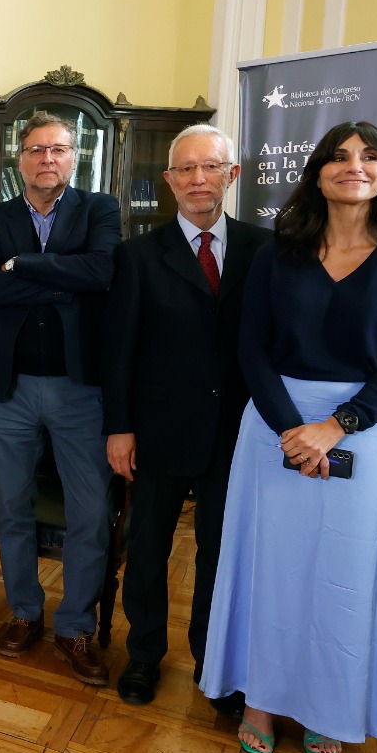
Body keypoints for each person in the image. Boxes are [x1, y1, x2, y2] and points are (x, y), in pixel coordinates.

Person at [202, 121, 377, 753]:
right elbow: (251, 348)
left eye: (370, 156)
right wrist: (292, 429)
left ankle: (326, 706)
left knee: (341, 576)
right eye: (338, 156)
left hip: (357, 430)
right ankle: (258, 698)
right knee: (268, 570)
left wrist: (338, 426)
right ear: (318, 173)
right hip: (273, 425)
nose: (353, 166)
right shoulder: (277, 253)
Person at [101, 124, 269, 712]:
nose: (199, 179)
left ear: (232, 175)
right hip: (157, 431)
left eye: (211, 167)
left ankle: (212, 664)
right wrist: (119, 428)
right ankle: (143, 656)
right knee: (147, 552)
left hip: (238, 433)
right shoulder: (137, 255)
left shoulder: (263, 250)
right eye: (187, 169)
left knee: (221, 555)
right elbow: (118, 351)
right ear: (169, 180)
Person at [0, 112, 121, 685]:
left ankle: (75, 625)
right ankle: (25, 612)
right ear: (20, 158)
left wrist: (26, 266)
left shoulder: (99, 209)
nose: (47, 159)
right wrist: (64, 283)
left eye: (58, 149)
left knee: (90, 513)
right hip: (9, 388)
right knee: (12, 506)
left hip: (80, 388)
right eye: (36, 150)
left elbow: (101, 273)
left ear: (73, 157)